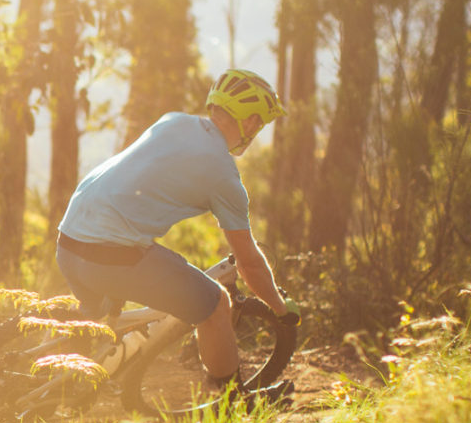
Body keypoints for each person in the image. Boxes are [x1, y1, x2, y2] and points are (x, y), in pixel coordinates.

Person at [55, 67, 296, 396]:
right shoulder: (224, 175)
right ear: (251, 121)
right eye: (260, 123)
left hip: (69, 240)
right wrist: (281, 310)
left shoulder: (173, 121)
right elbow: (248, 262)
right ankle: (230, 404)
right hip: (110, 258)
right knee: (215, 305)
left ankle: (46, 384)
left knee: (94, 323)